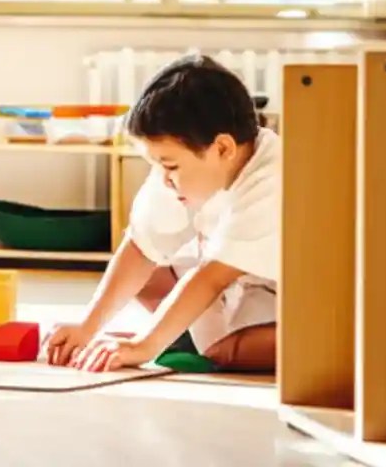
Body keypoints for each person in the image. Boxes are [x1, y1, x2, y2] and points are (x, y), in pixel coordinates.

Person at [45, 55, 279, 372]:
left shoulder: (271, 178)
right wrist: (87, 326)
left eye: (169, 165)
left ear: (222, 148)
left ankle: (182, 336)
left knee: (228, 353)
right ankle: (178, 331)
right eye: (157, 165)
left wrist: (144, 345)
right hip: (231, 286)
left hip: (286, 299)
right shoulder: (184, 170)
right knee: (144, 273)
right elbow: (141, 246)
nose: (163, 177)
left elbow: (213, 278)